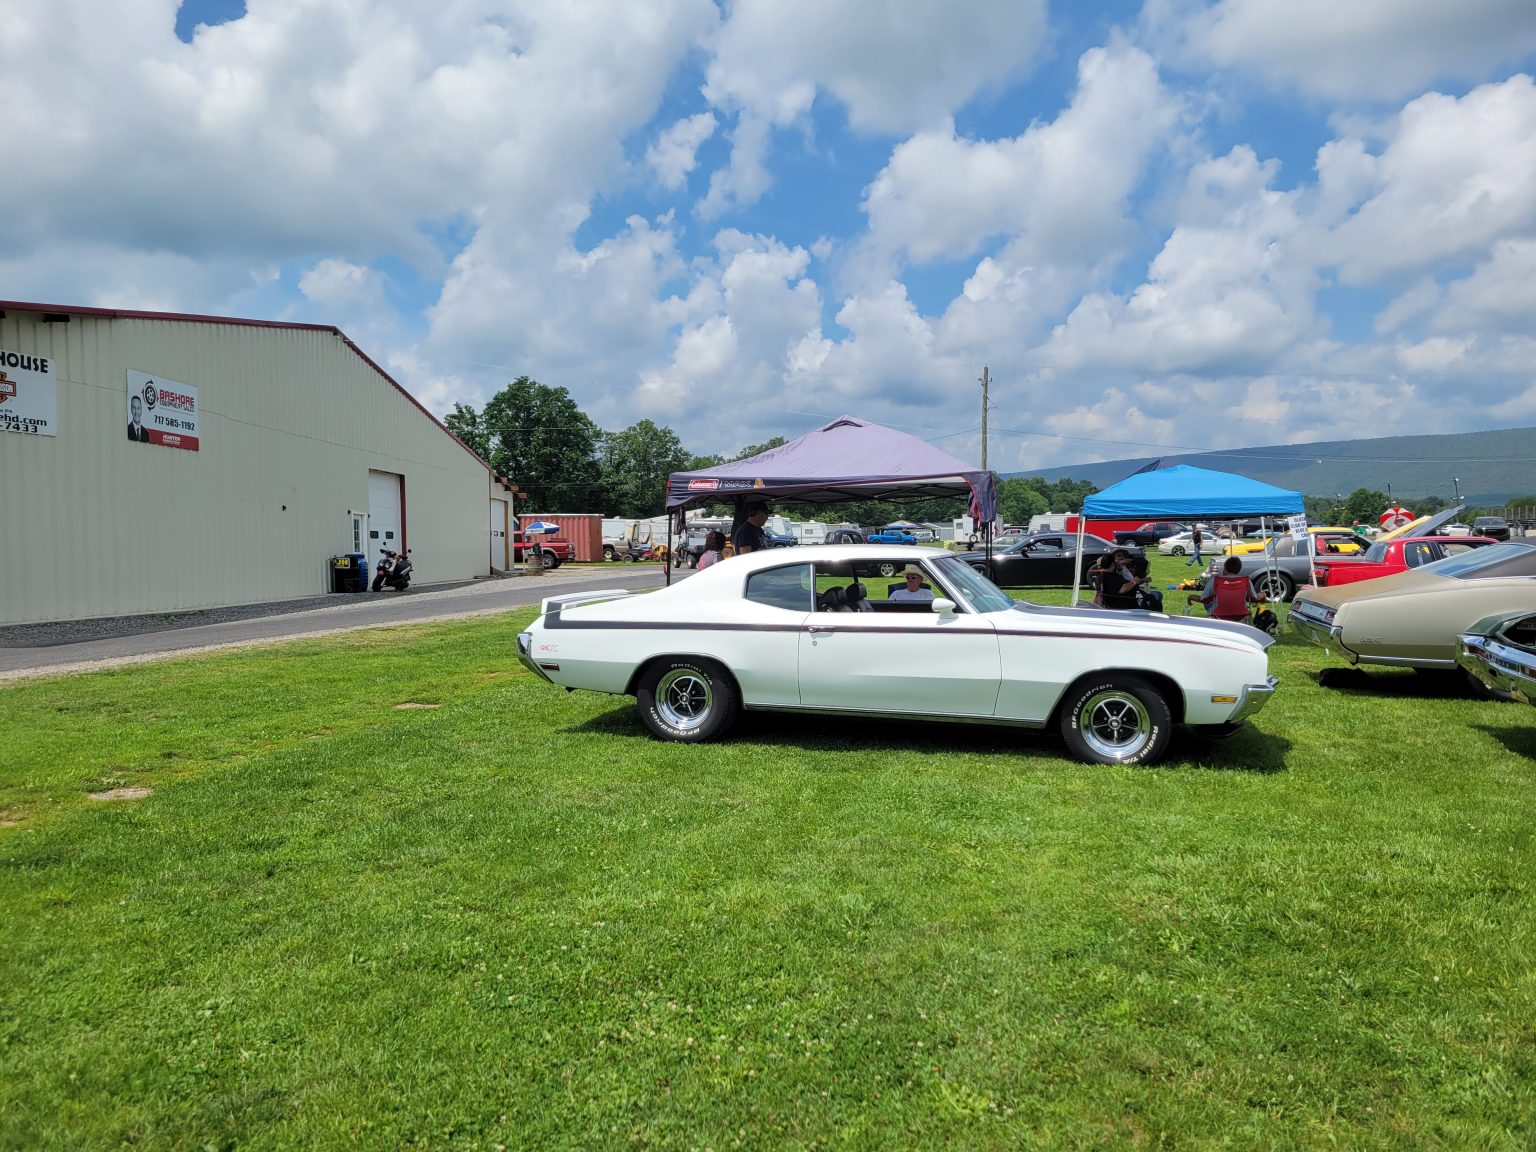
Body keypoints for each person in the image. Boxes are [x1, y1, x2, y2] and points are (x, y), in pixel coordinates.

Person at [1188, 555, 1262, 622]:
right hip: (1241, 618)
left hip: (1218, 618)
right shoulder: (1245, 581)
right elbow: (1254, 598)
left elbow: (1204, 599)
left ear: (1225, 567)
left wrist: (1190, 597)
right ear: (1239, 569)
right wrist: (1263, 594)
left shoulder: (1215, 580)